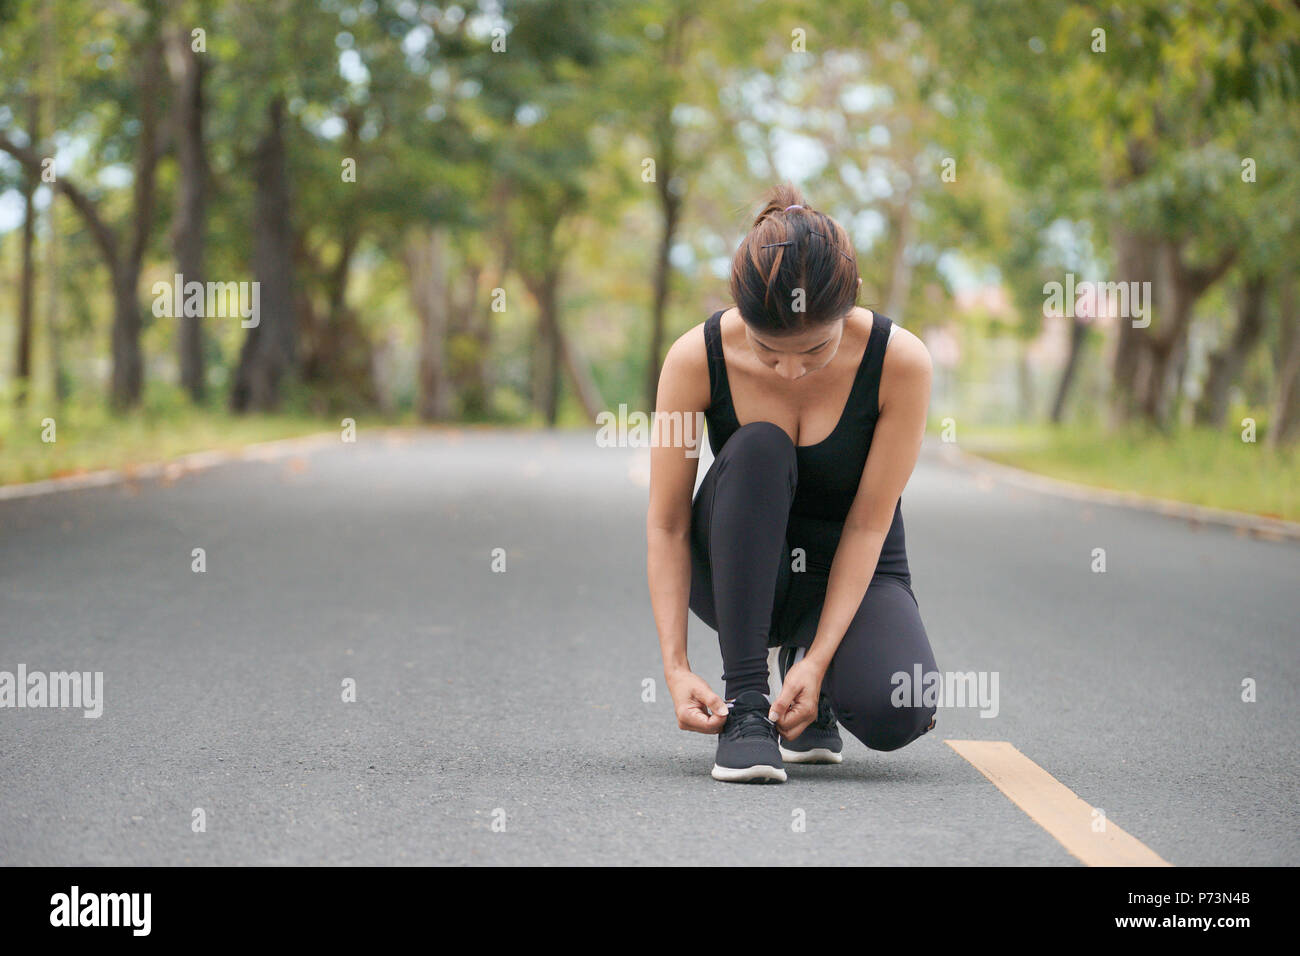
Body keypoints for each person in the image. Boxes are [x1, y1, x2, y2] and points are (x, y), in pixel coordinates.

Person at [646, 184, 939, 783]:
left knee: (899, 707)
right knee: (759, 445)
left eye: (813, 351)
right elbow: (669, 522)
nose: (789, 370)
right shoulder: (694, 358)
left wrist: (825, 656)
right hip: (733, 571)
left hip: (846, 564)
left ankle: (808, 668)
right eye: (767, 350)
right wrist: (675, 667)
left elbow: (867, 523)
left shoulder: (900, 363)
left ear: (849, 304)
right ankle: (749, 707)